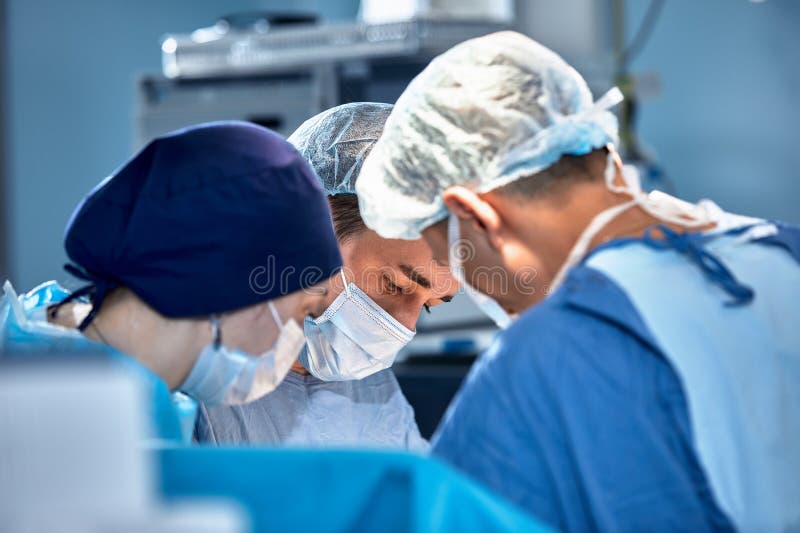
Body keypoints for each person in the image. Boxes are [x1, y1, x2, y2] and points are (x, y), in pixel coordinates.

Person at [355, 31, 800, 531]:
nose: (474, 293)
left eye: (453, 262)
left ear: (476, 215)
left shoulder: (546, 362)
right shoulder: (786, 253)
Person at [0, 121, 343, 443]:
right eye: (302, 312)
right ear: (226, 285)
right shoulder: (57, 414)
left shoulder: (51, 345)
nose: (296, 338)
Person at [195, 103, 457, 451]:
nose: (405, 328)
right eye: (394, 285)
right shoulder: (184, 374)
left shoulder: (373, 393)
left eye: (428, 306)